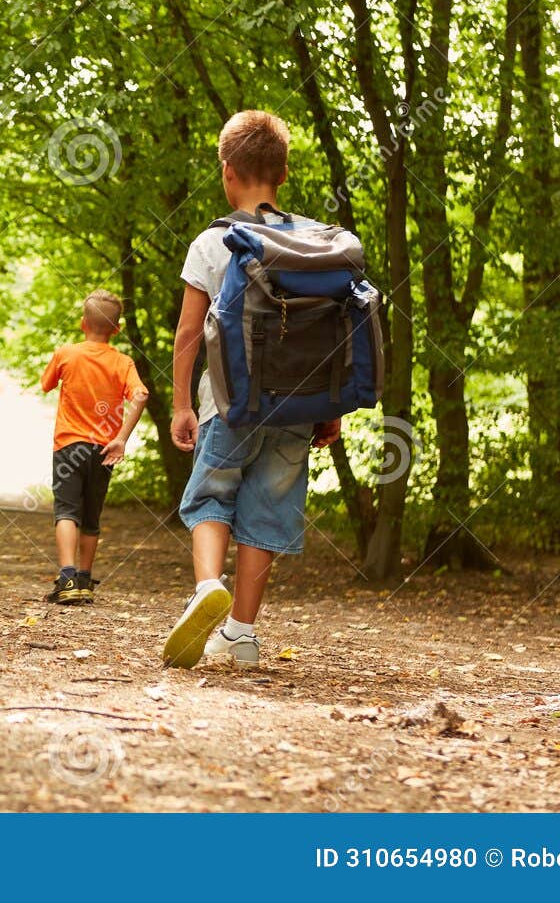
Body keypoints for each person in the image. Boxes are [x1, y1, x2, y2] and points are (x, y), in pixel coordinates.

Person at [164, 110, 341, 669]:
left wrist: (182, 403)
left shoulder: (212, 242)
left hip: (230, 402)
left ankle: (206, 588)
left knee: (211, 497)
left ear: (227, 171)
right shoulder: (315, 241)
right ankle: (241, 634)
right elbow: (331, 333)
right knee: (266, 510)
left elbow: (189, 332)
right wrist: (330, 406)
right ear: (283, 174)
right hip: (296, 405)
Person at [39, 291, 149, 605]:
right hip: (104, 449)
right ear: (117, 329)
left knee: (66, 512)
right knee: (91, 515)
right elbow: (141, 395)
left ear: (82, 323)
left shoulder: (66, 353)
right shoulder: (123, 362)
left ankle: (67, 578)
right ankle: (85, 581)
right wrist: (121, 438)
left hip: (68, 445)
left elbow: (46, 384)